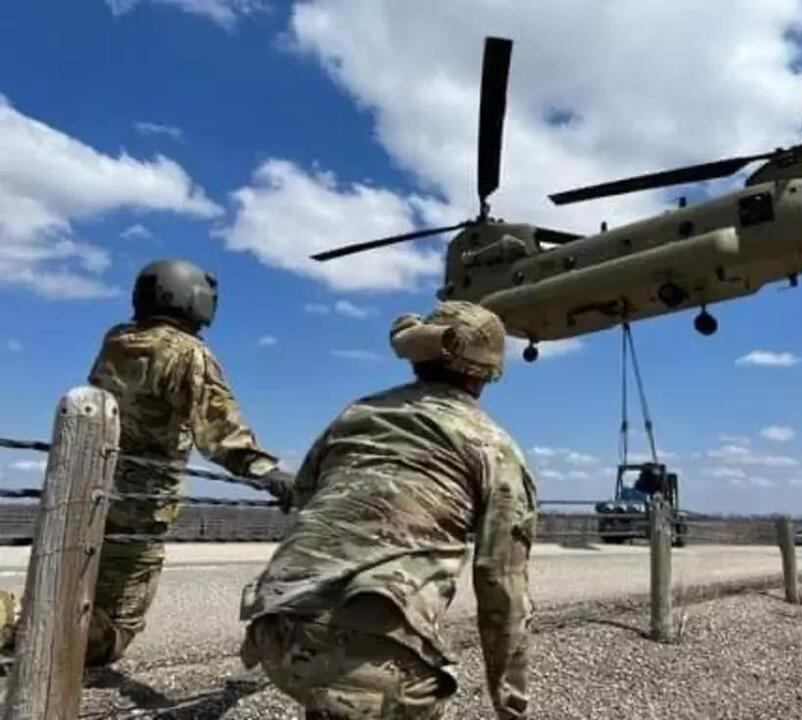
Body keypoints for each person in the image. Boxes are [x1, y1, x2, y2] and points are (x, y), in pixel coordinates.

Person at [239, 300, 537, 720]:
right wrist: (510, 705)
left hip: (275, 638)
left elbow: (305, 499)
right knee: (378, 689)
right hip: (371, 668)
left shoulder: (356, 414)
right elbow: (500, 584)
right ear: (485, 373)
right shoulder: (494, 448)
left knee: (342, 696)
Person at [0, 259, 295, 668]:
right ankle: (17, 635)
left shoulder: (118, 340)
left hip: (85, 493)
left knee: (67, 590)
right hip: (138, 511)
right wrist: (271, 475)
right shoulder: (188, 353)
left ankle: (25, 639)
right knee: (111, 633)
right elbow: (220, 431)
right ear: (191, 298)